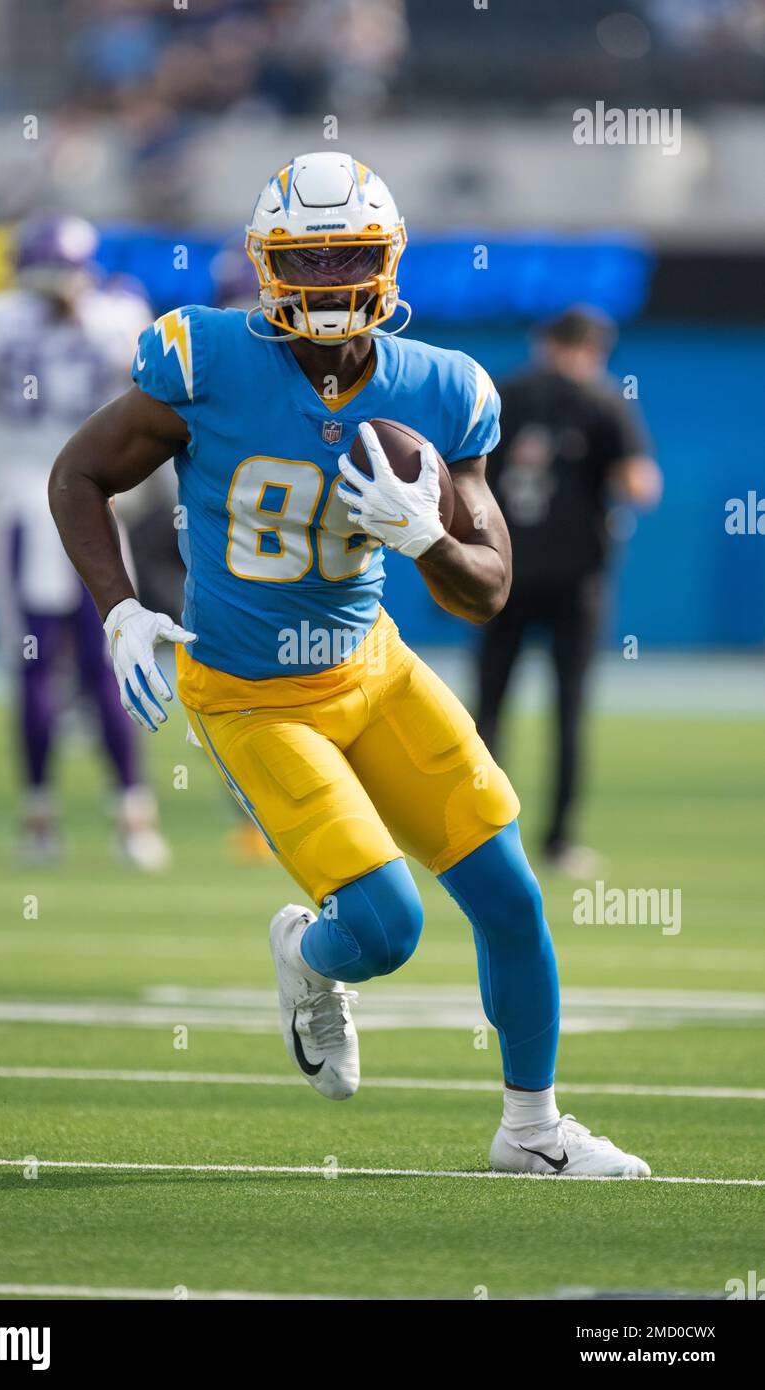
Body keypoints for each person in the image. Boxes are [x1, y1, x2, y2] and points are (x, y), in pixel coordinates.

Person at [49, 152, 650, 1177]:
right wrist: (118, 610)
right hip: (249, 696)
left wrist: (426, 540)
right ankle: (306, 953)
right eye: (305, 259)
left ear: (390, 260)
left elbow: (487, 584)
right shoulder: (201, 358)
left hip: (372, 673)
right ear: (266, 267)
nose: (329, 282)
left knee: (509, 895)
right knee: (383, 926)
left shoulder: (441, 388)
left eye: (351, 257)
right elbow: (79, 473)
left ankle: (532, 1131)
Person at [0, 214, 169, 869]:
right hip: (91, 504)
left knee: (38, 666)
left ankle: (44, 819)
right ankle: (128, 816)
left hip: (20, 504)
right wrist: (140, 488)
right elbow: (159, 404)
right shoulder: (116, 315)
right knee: (103, 659)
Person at [479, 307, 662, 875]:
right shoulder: (602, 401)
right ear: (591, 349)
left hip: (499, 577)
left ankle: (476, 834)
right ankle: (558, 840)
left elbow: (463, 478)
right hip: (575, 583)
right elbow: (641, 486)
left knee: (488, 709)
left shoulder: (504, 395)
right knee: (569, 711)